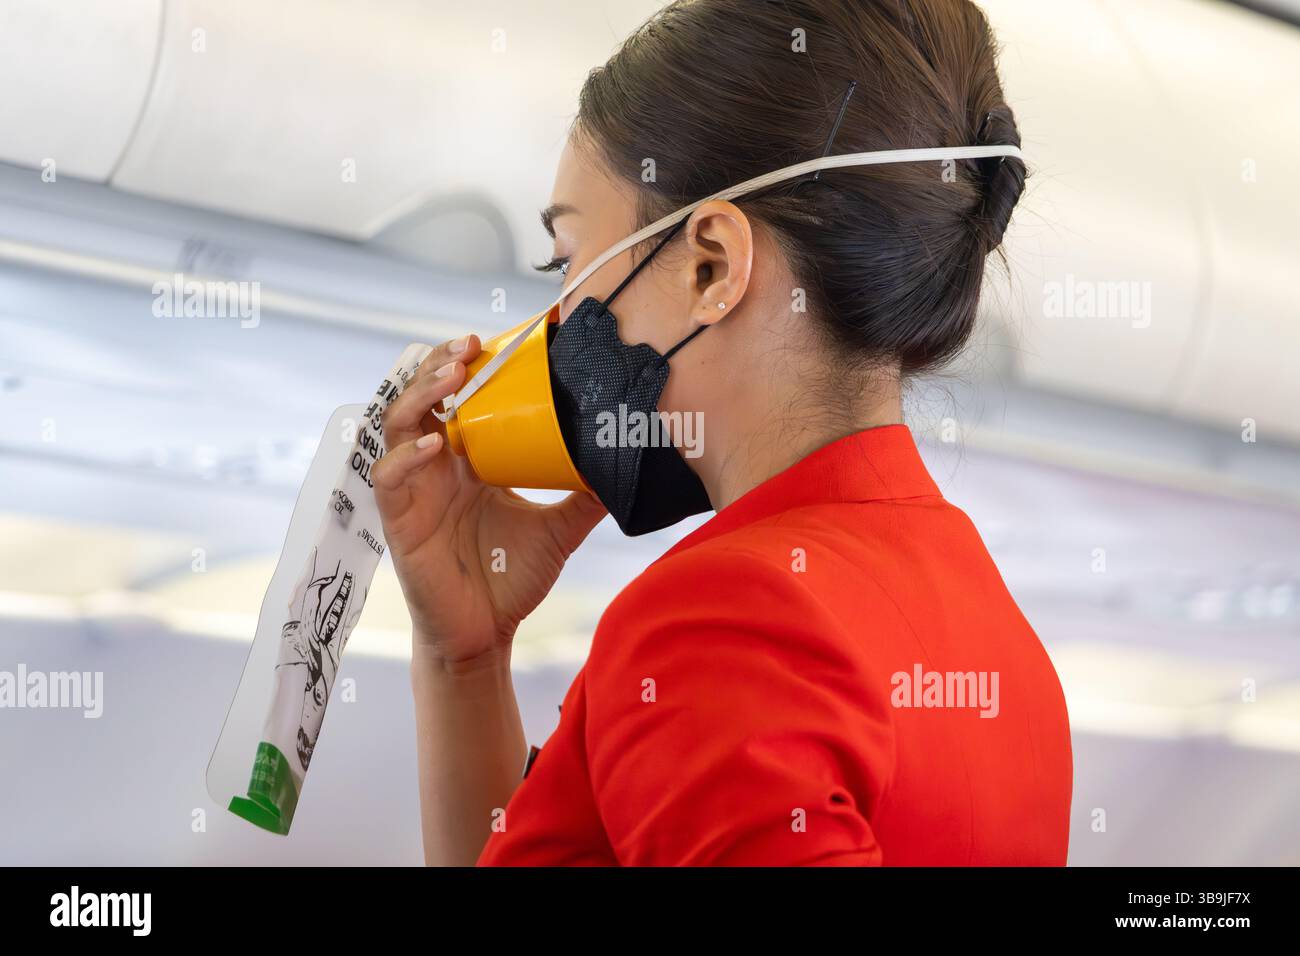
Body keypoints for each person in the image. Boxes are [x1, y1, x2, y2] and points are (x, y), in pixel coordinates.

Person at [372, 0, 1072, 866]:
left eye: (568, 262)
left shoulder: (718, 622)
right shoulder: (993, 632)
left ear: (711, 264)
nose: (554, 322)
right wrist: (464, 660)